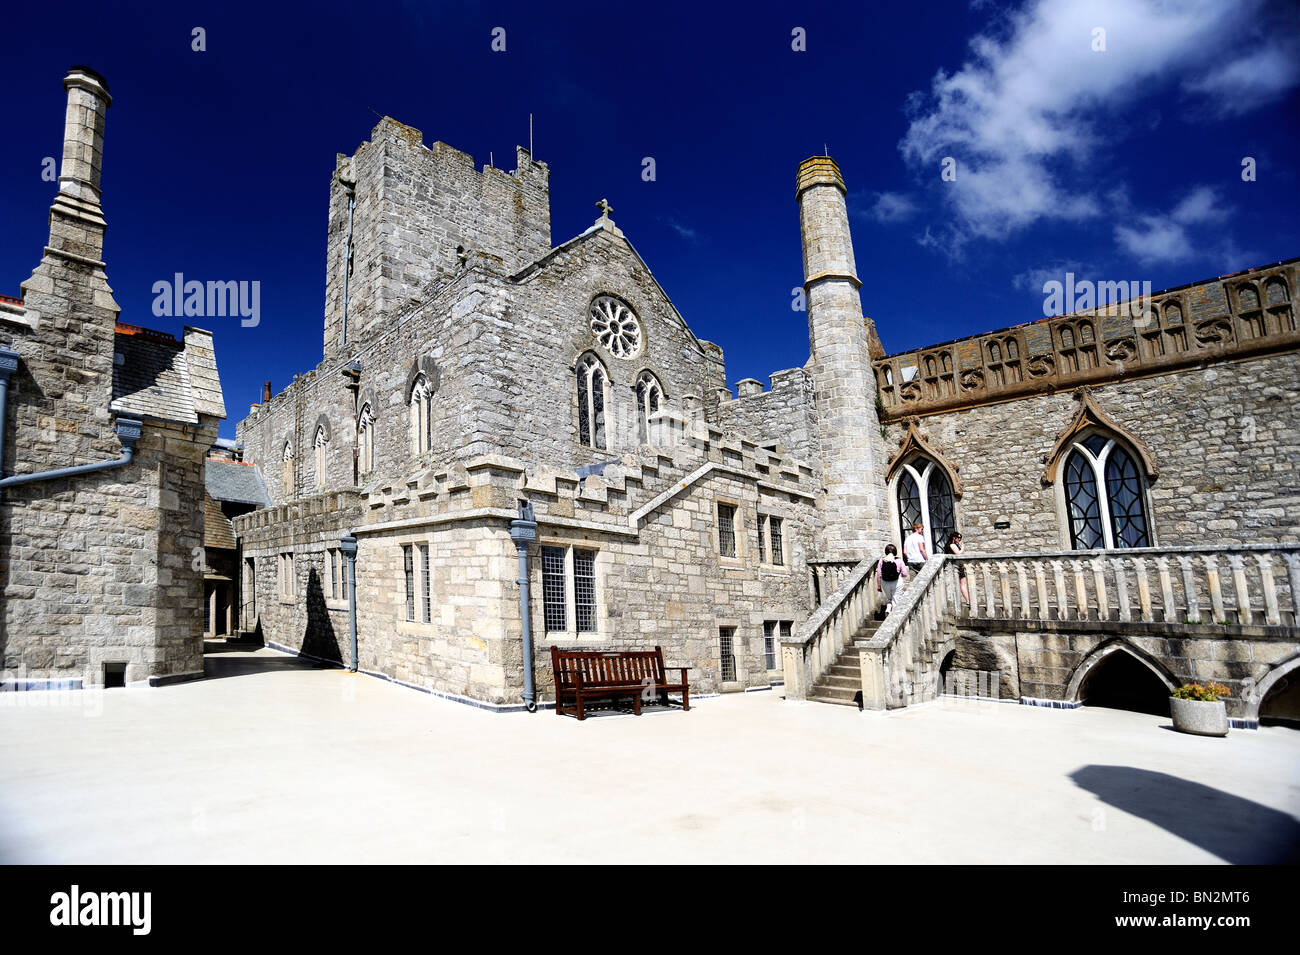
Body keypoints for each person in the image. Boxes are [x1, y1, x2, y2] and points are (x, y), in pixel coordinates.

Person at [876, 544, 908, 613]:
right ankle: (895, 616)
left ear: (886, 552)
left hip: (885, 582)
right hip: (897, 582)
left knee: (889, 598)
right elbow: (905, 573)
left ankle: (888, 609)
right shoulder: (899, 560)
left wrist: (879, 586)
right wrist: (900, 575)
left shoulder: (882, 560)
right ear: (895, 551)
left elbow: (879, 574)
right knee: (896, 599)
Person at [946, 531, 969, 607]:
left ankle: (967, 600)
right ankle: (967, 600)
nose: (959, 540)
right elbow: (958, 554)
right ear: (954, 538)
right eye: (958, 538)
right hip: (956, 567)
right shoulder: (952, 545)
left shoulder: (953, 544)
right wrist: (962, 547)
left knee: (962, 583)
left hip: (956, 566)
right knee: (962, 584)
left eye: (960, 538)